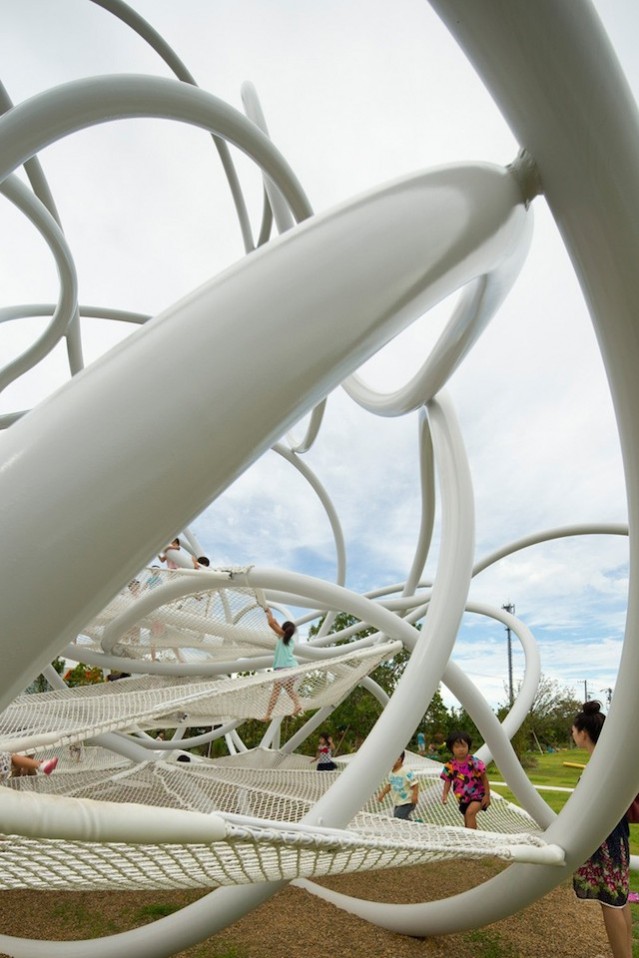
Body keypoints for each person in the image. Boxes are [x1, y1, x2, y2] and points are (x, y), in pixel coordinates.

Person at [572, 701, 632, 958]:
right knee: (620, 898)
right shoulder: (612, 761)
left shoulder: (597, 766)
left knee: (609, 902)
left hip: (604, 841)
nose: (573, 736)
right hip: (619, 838)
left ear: (583, 733)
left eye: (573, 731)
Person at [440, 730, 490, 829]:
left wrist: (487, 795)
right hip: (463, 798)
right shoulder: (450, 765)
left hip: (478, 795)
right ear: (451, 748)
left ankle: (473, 839)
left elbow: (484, 778)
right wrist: (445, 794)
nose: (461, 749)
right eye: (457, 747)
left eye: (464, 746)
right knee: (467, 818)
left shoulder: (474, 762)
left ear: (468, 747)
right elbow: (448, 781)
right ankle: (469, 839)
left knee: (470, 813)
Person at [262, 607, 303, 721]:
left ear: (284, 630)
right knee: (289, 690)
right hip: (292, 668)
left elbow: (271, 623)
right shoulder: (289, 640)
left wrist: (269, 614)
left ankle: (268, 715)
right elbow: (276, 625)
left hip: (282, 669)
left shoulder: (282, 636)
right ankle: (297, 704)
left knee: (275, 693)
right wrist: (274, 619)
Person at [376, 751, 419, 820]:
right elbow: (389, 785)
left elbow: (415, 783)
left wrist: (415, 796)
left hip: (408, 801)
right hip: (398, 802)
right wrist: (382, 794)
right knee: (400, 819)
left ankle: (415, 824)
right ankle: (416, 823)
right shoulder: (391, 772)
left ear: (399, 759)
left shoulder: (405, 771)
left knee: (398, 818)